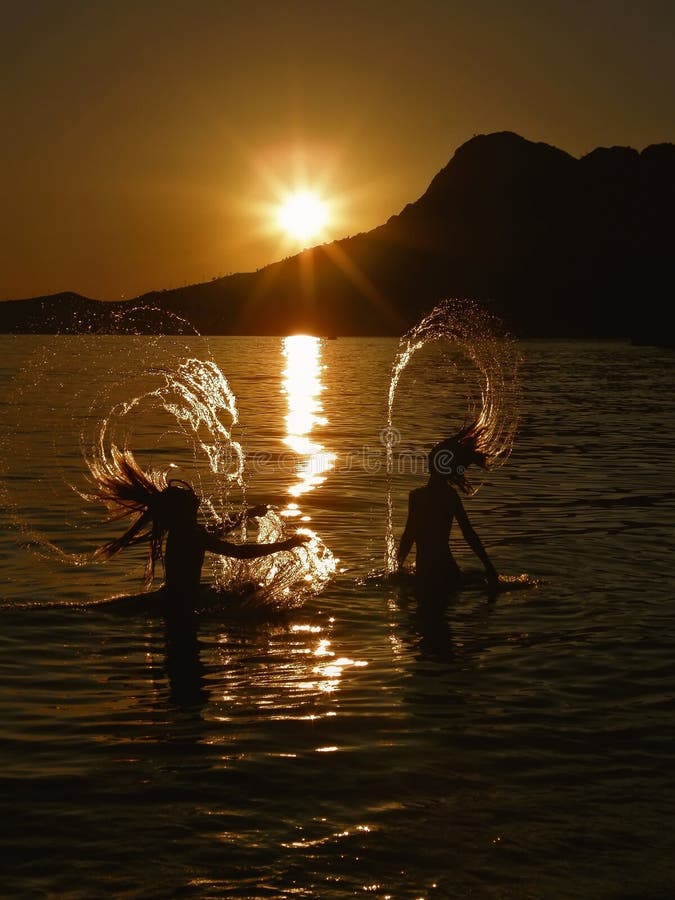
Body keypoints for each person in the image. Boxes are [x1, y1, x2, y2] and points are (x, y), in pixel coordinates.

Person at [88, 447, 309, 602]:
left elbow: (218, 530)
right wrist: (286, 545)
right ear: (181, 509)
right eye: (186, 496)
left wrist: (248, 514)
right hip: (183, 603)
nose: (193, 495)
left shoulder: (186, 532)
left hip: (177, 597)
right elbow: (239, 552)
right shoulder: (190, 535)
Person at [397, 421, 499, 601]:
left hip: (424, 571)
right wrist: (488, 566)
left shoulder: (417, 497)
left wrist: (397, 568)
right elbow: (469, 534)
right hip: (447, 570)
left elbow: (409, 535)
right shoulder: (450, 497)